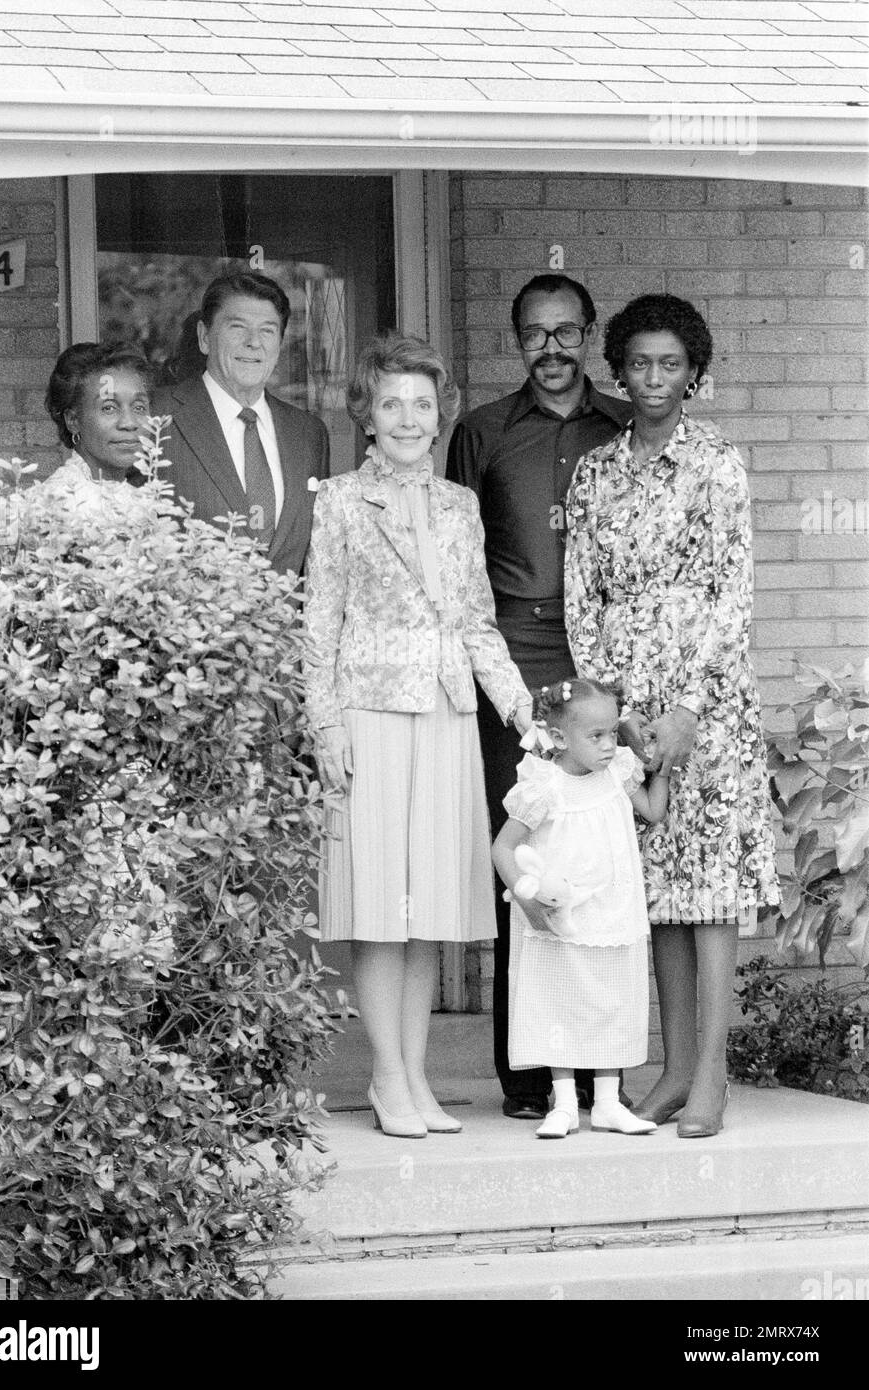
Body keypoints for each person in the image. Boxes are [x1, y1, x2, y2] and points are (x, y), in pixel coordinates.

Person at [304, 332, 532, 1138]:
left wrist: (523, 712)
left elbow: (475, 624)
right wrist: (324, 726)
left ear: (440, 417)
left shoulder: (459, 506)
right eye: (391, 403)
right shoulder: (338, 500)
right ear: (366, 416)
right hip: (369, 716)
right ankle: (386, 1078)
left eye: (422, 404)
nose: (407, 418)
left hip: (444, 716)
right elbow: (318, 623)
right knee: (379, 909)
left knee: (427, 907)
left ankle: (415, 1076)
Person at [565, 293, 780, 1139]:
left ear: (693, 374)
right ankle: (674, 1066)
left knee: (710, 887)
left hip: (708, 701)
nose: (653, 379)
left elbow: (732, 595)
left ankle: (712, 1075)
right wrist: (610, 711)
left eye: (670, 364)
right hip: (627, 699)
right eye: (639, 364)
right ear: (617, 370)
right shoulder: (594, 472)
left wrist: (689, 707)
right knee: (656, 886)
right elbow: (582, 597)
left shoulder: (716, 463)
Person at [446, 272, 631, 1120]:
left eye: (565, 332)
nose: (550, 348)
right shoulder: (481, 431)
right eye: (533, 333)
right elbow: (461, 559)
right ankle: (527, 1074)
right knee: (524, 858)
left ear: (587, 334)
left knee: (598, 860)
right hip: (512, 661)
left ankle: (600, 1068)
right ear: (515, 338)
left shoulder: (622, 426)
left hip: (595, 661)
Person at [492, 679, 669, 1137]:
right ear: (559, 736)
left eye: (612, 732)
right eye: (596, 736)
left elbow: (652, 811)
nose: (609, 744)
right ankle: (566, 1104)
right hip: (563, 919)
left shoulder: (618, 773)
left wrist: (664, 767)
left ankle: (607, 1103)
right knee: (562, 1002)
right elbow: (503, 847)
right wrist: (525, 898)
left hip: (613, 913)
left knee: (610, 1001)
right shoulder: (543, 786)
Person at [152, 270, 330, 576]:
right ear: (204, 337)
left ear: (279, 343)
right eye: (238, 328)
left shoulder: (309, 433)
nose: (253, 342)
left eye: (267, 331)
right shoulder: (155, 415)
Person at [42, 342, 159, 522]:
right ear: (73, 420)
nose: (129, 423)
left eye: (139, 407)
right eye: (109, 408)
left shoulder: (135, 500)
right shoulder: (60, 505)